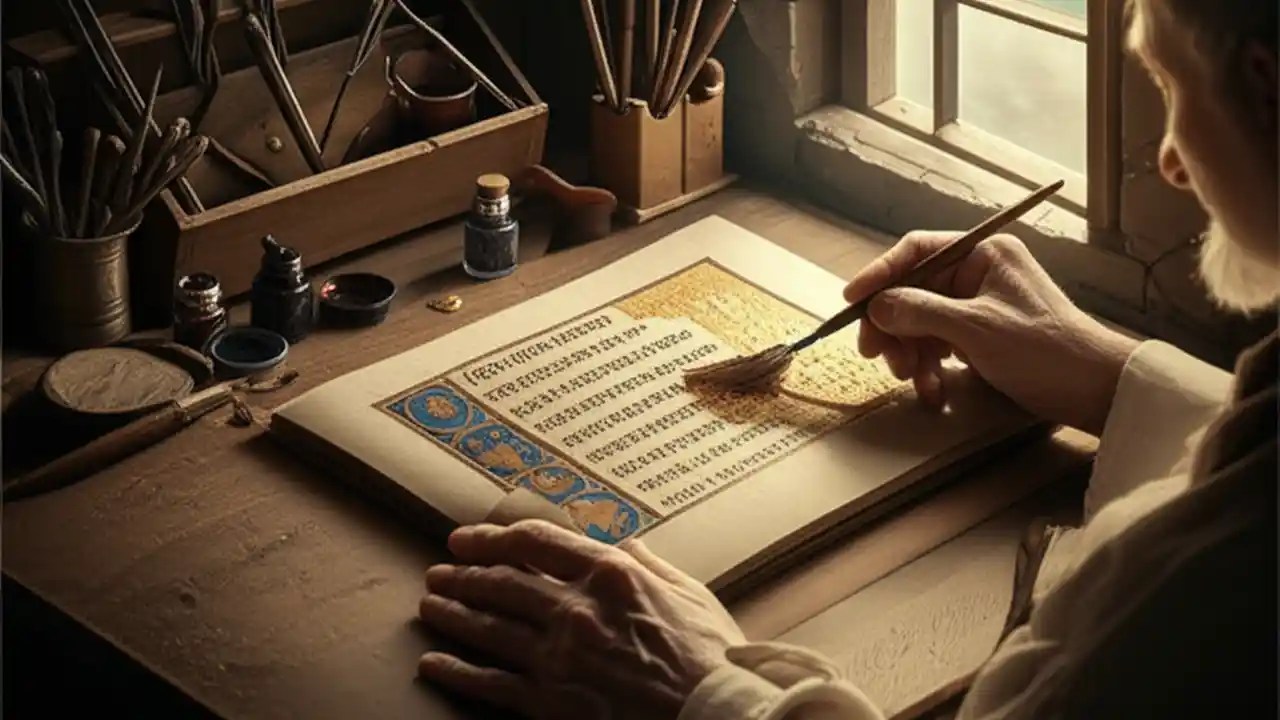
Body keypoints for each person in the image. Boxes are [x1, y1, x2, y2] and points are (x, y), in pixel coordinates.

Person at [410, 0, 1278, 716]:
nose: (1166, 160)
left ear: (1266, 88)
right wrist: (1112, 381)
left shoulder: (1205, 582)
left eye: (1167, 83)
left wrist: (706, 691)